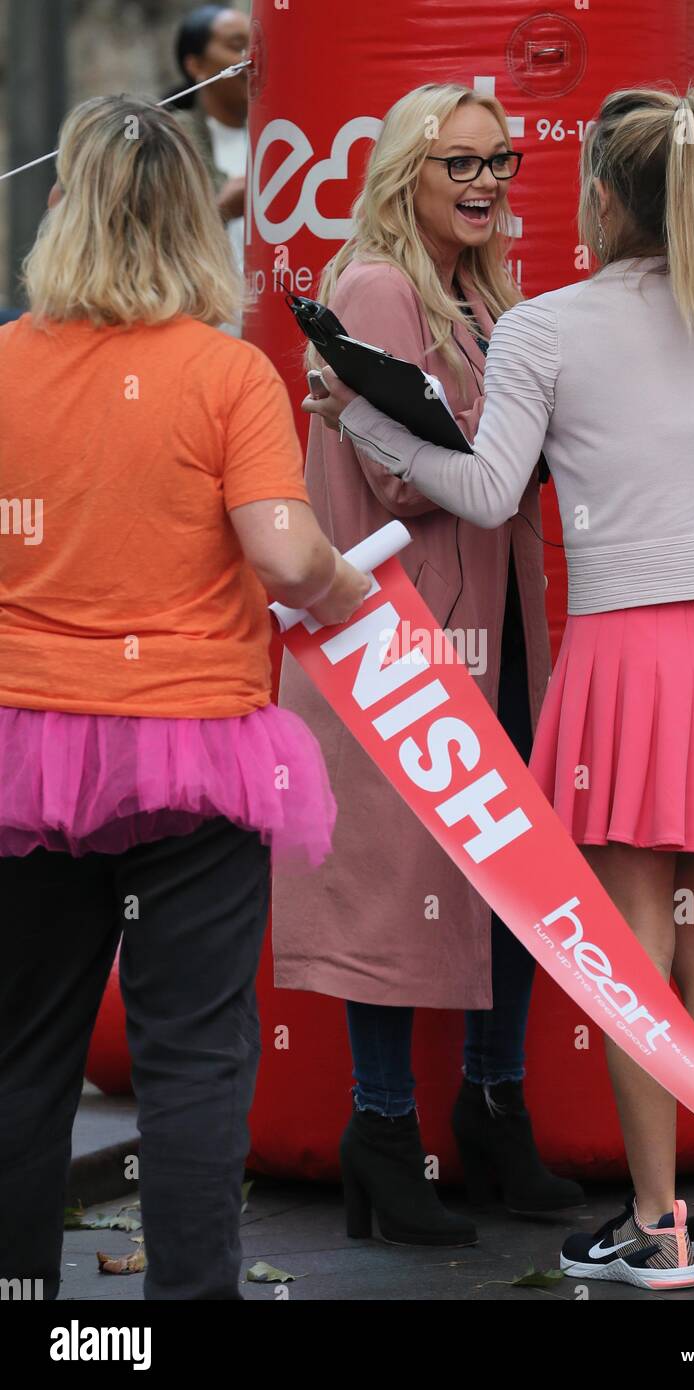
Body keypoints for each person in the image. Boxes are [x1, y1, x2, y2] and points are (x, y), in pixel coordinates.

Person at [306, 86, 694, 1290]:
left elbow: (485, 493)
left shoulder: (547, 325)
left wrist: (362, 423)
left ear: (601, 193)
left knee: (629, 948)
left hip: (626, 652)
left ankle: (654, 1223)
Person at [0, 95, 370, 1301]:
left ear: (62, 214)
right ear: (194, 227)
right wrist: (340, 575)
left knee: (23, 1054)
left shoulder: (3, 362)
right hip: (194, 750)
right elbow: (283, 558)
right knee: (195, 1057)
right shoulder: (225, 375)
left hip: (24, 750)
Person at [271, 81, 583, 1247]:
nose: (485, 183)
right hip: (396, 639)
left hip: (492, 629)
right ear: (406, 168)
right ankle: (384, 1131)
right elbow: (414, 474)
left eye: (498, 162)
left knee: (506, 875)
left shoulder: (482, 290)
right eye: (458, 163)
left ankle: (492, 1112)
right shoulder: (374, 286)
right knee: (391, 891)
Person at [170, 6, 250, 274]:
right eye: (237, 46)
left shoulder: (281, 136)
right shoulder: (171, 141)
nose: (250, 57)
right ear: (196, 65)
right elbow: (154, 241)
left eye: (257, 45)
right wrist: (221, 210)